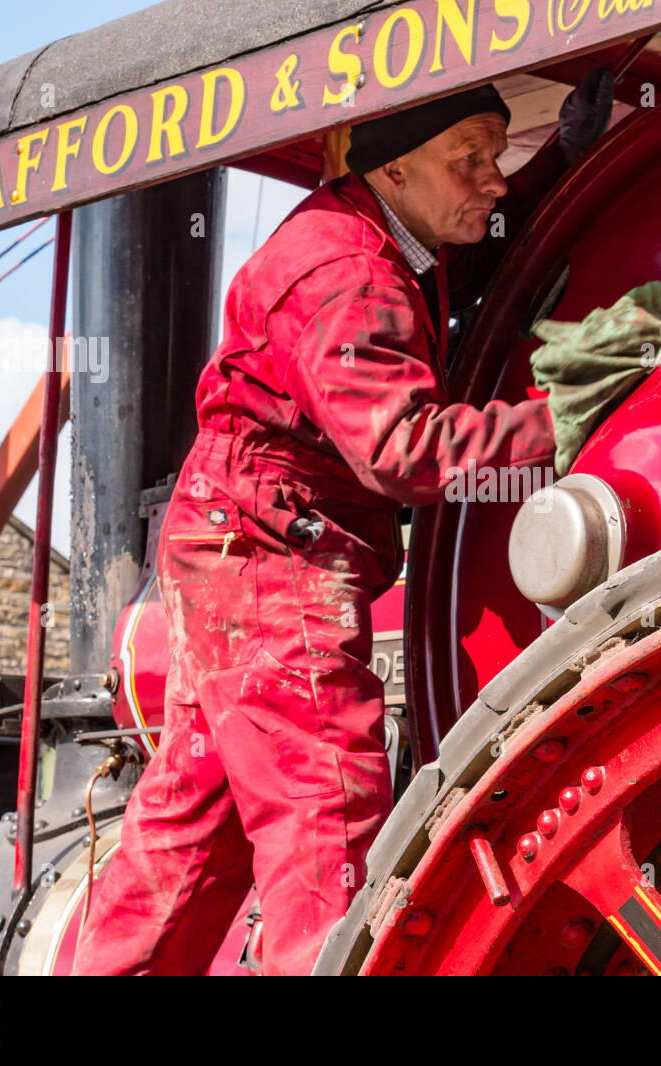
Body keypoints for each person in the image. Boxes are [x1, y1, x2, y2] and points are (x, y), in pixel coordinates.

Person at [73, 71, 616, 976]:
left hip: (233, 545)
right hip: (271, 556)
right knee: (328, 811)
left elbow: (480, 244)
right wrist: (561, 418)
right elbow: (402, 450)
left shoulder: (398, 234)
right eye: (468, 159)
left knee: (191, 837)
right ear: (393, 172)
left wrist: (564, 154)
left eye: (496, 152)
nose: (491, 176)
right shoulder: (346, 272)